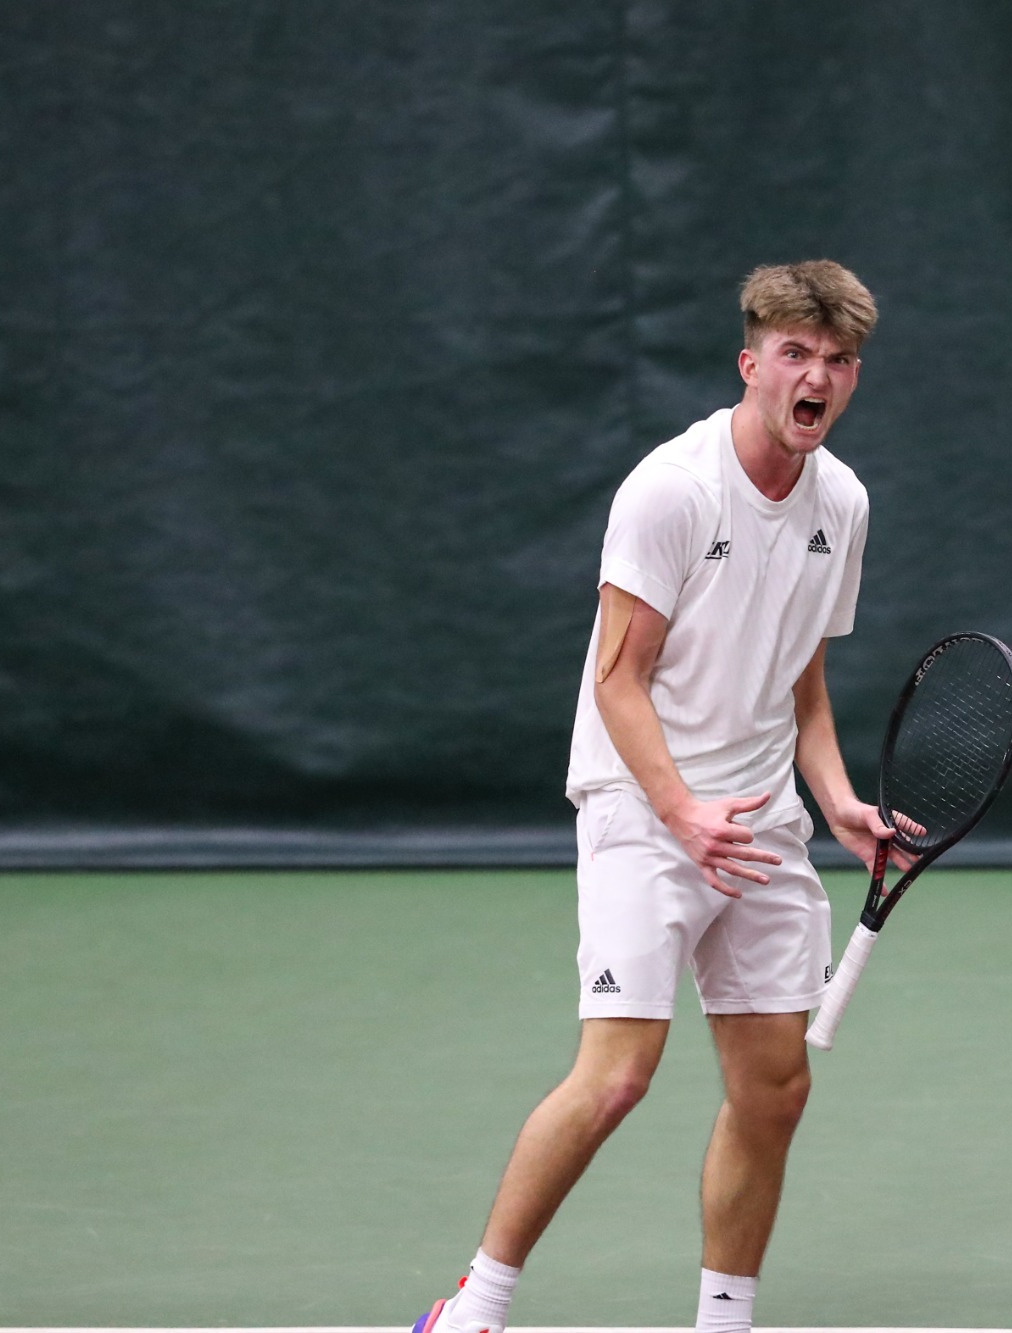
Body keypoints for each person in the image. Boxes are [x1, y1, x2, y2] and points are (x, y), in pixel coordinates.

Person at [414, 260, 903, 1333]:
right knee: (617, 1074)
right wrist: (681, 809)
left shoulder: (843, 502)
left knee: (775, 1087)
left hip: (760, 818)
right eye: (792, 355)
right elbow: (615, 678)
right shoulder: (671, 489)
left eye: (834, 361)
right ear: (750, 363)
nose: (812, 378)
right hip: (643, 809)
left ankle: (721, 1321)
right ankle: (475, 1304)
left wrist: (834, 801)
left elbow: (801, 673)